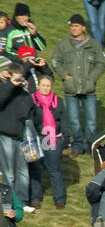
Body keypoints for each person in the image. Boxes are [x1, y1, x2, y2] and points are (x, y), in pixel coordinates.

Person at [51, 14, 105, 157]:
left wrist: (92, 78)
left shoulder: (94, 45)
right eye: (71, 26)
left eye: (76, 26)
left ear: (83, 28)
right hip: (71, 89)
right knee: (73, 119)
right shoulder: (64, 44)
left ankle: (90, 145)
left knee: (91, 120)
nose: (73, 29)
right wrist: (65, 77)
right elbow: (55, 61)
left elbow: (101, 64)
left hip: (89, 89)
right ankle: (77, 145)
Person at [27, 75, 70, 210]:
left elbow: (64, 119)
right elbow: (29, 120)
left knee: (54, 169)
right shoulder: (32, 100)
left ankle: (59, 199)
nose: (45, 88)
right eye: (43, 85)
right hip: (38, 137)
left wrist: (65, 137)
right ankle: (35, 198)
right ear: (38, 85)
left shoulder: (58, 100)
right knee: (36, 168)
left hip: (53, 137)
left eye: (48, 85)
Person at [0, 64, 35, 211]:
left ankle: (22, 202)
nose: (20, 80)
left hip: (21, 136)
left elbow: (27, 111)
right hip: (5, 134)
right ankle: (10, 203)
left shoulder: (23, 92)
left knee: (23, 172)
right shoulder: (3, 88)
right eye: (17, 78)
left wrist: (26, 90)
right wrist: (10, 85)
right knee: (8, 173)